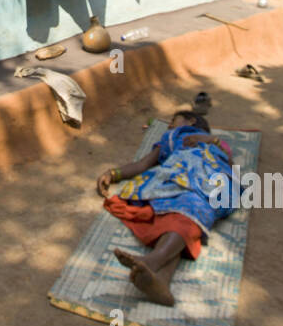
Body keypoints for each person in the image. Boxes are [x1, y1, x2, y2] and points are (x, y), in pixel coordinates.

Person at [95, 109, 235, 306]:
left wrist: (209, 139)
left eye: (173, 120)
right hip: (177, 179)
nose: (169, 125)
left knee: (190, 206)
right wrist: (112, 173)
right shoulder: (169, 139)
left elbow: (228, 161)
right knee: (175, 215)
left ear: (191, 120)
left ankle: (152, 260)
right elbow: (142, 165)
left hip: (209, 178)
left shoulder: (213, 141)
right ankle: (162, 283)